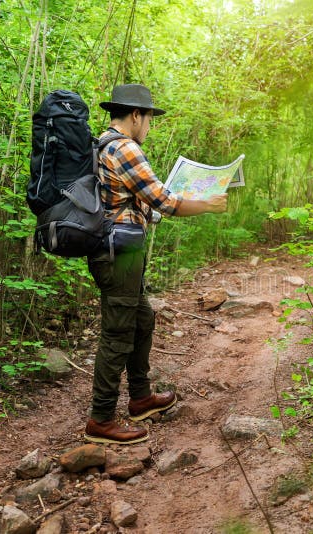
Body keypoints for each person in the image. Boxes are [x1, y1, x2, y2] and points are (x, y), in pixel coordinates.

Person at [83, 84, 227, 444]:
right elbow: (165, 201)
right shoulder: (125, 147)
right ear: (136, 115)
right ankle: (101, 420)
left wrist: (154, 211)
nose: (149, 126)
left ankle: (141, 398)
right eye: (149, 119)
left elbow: (130, 201)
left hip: (116, 250)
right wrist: (207, 204)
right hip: (118, 254)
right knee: (118, 332)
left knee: (142, 319)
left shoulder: (102, 144)